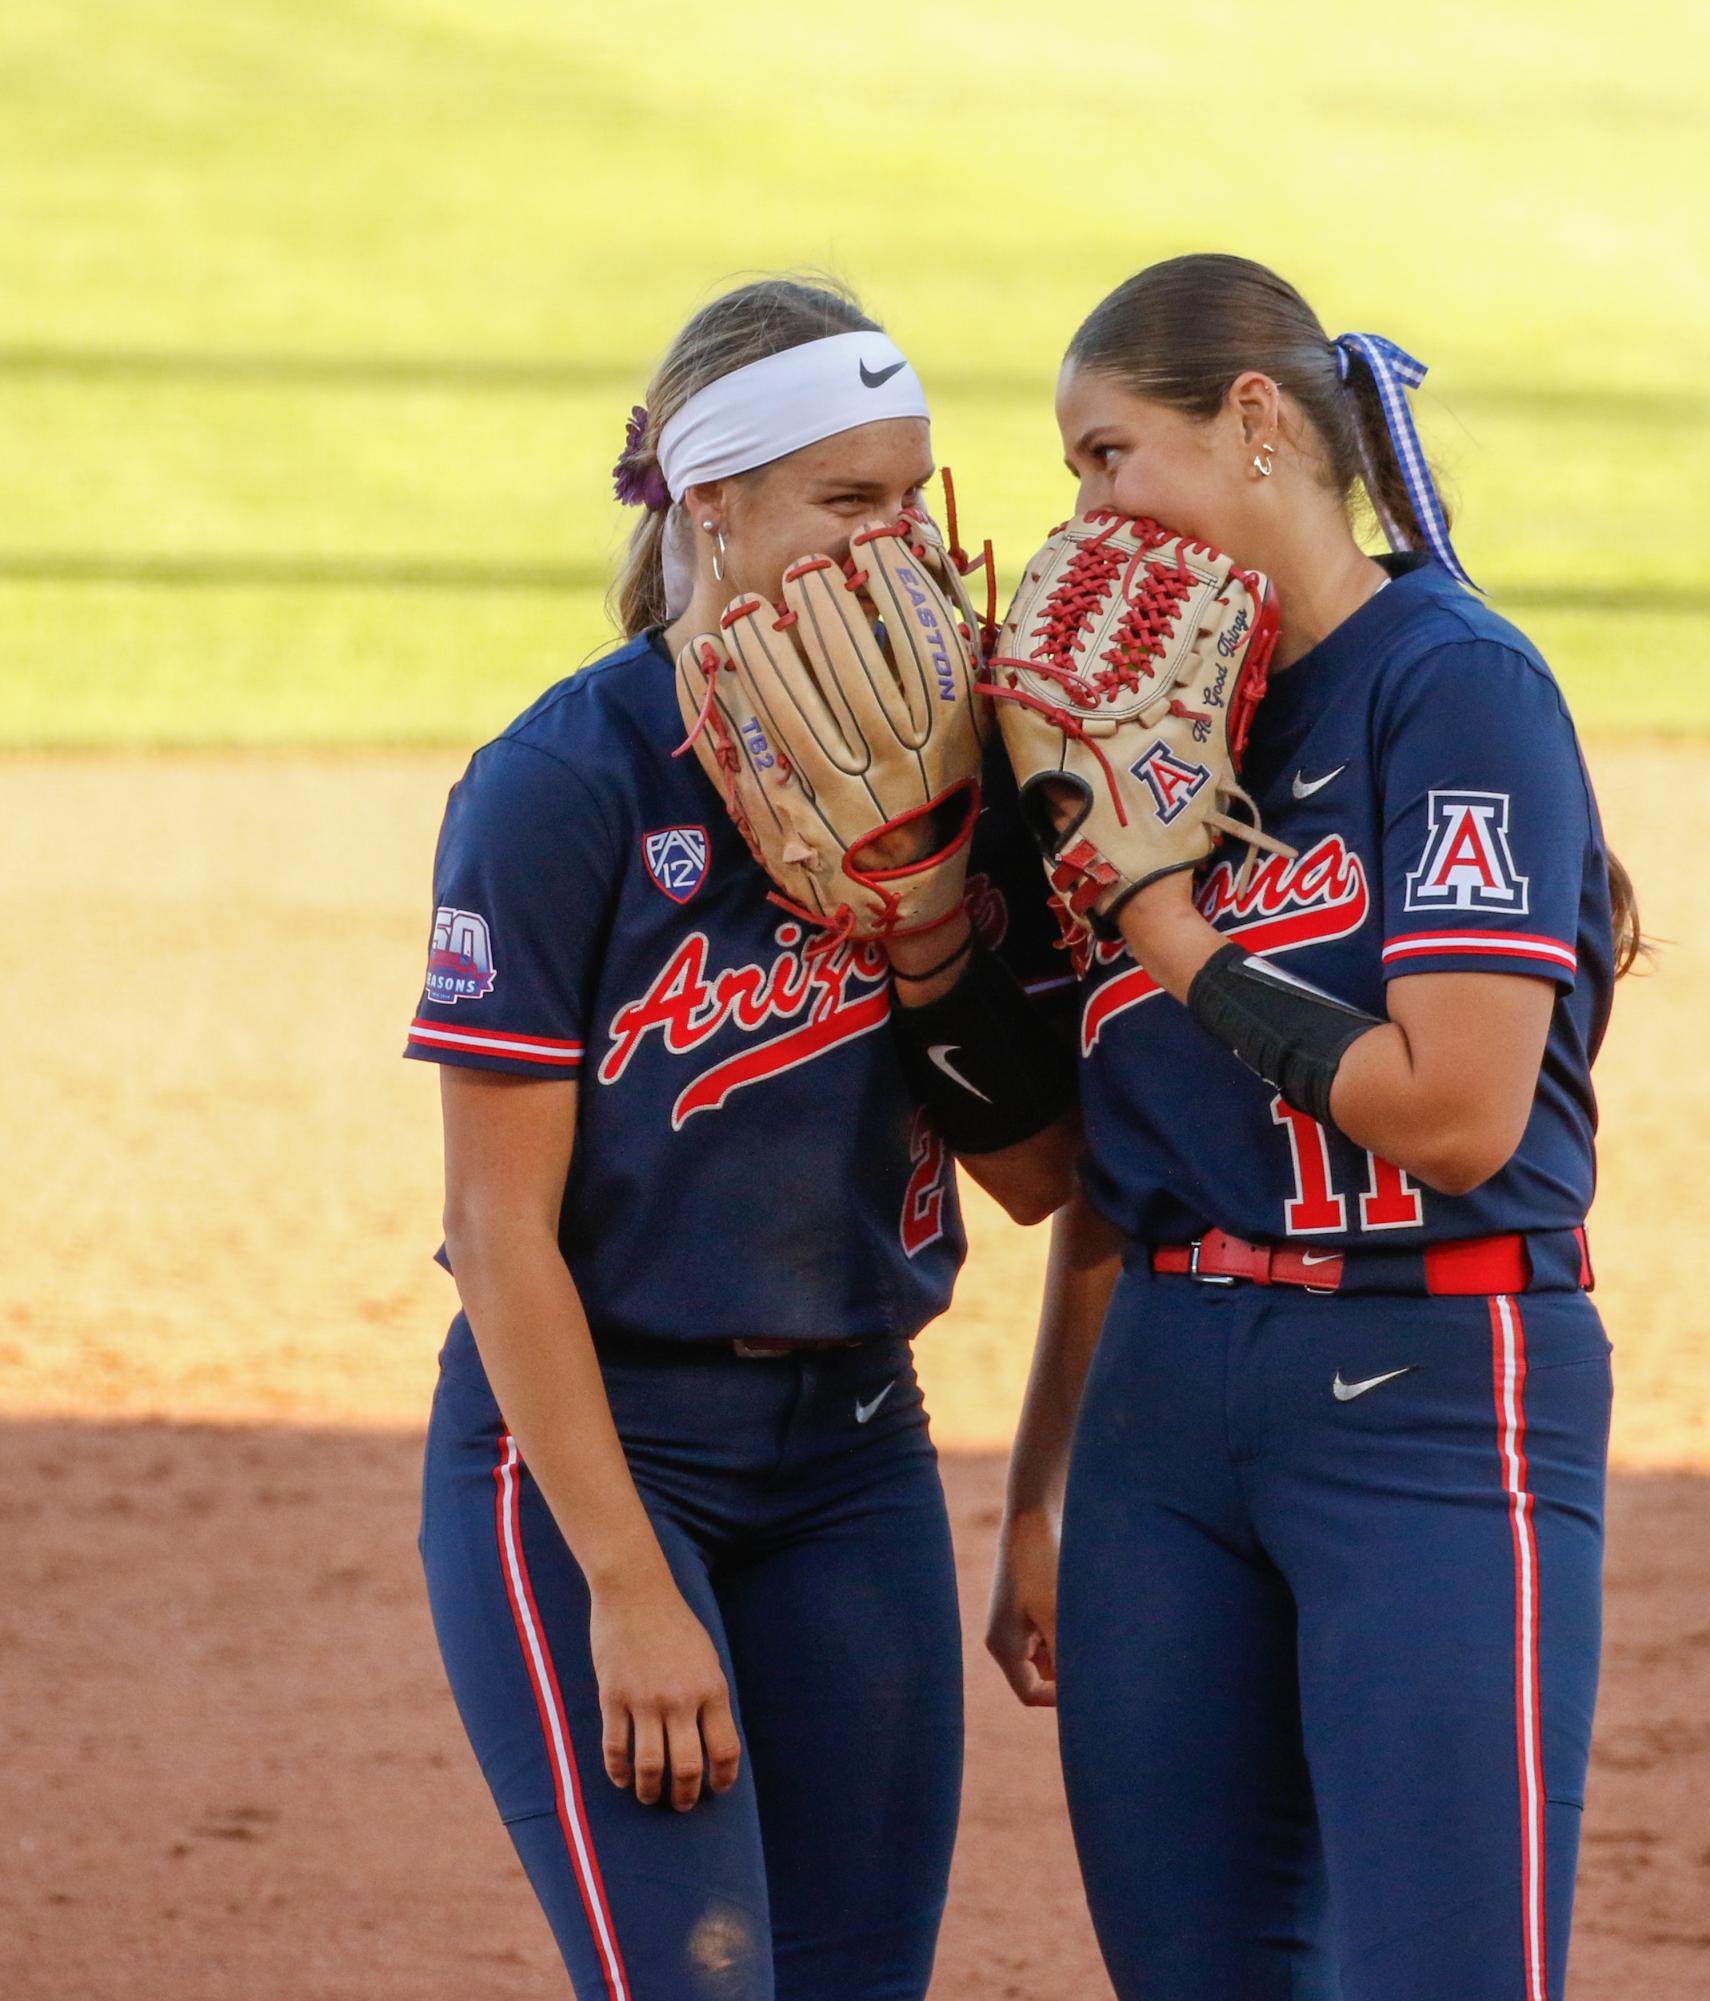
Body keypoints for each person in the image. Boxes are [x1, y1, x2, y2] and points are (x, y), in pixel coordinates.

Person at [983, 253, 1641, 2001]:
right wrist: (1037, 1491)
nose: (1088, 514)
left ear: (1255, 422)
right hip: (1161, 1423)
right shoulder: (1146, 732)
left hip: (1427, 1401)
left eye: (1109, 454)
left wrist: (1164, 924)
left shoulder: (1453, 686)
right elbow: (1098, 1180)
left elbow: (1456, 1106)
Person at [407, 275, 1067, 2001]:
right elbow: (498, 1235)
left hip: (854, 1449)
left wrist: (935, 934)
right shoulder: (567, 781)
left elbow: (1034, 1179)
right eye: (848, 502)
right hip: (599, 1456)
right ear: (712, 503)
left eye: (913, 499)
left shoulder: (953, 757)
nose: (900, 546)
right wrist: (624, 1584)